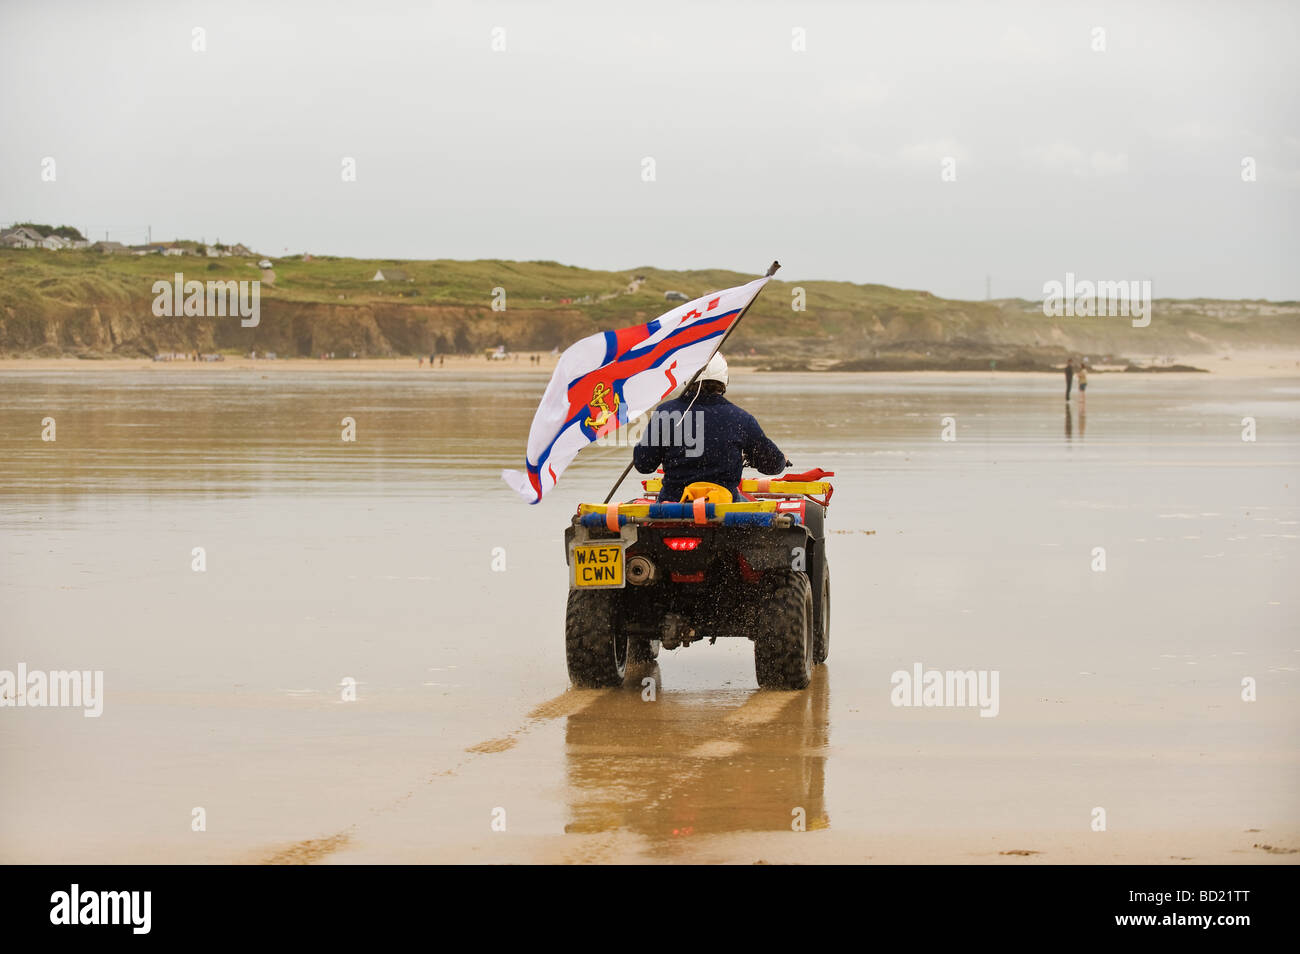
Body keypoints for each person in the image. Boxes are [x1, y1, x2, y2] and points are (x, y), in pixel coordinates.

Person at [633, 352, 787, 503]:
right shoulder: (741, 418)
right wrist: (779, 460)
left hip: (673, 504)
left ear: (688, 378)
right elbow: (773, 465)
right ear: (724, 380)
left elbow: (644, 465)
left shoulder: (665, 412)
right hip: (723, 507)